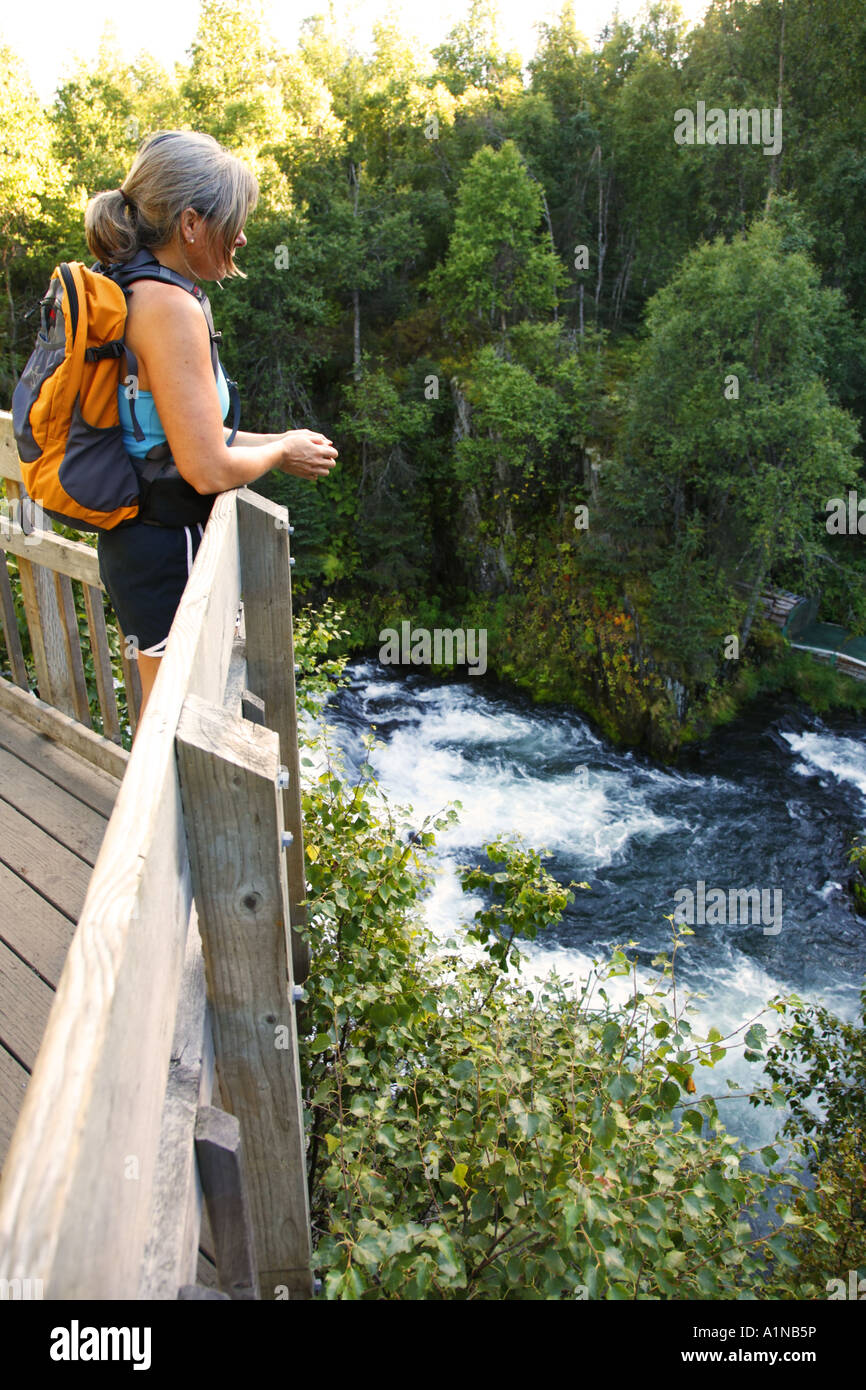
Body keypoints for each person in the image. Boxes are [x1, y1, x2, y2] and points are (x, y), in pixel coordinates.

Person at [84, 130, 338, 725]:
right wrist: (279, 454)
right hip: (166, 542)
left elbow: (189, 437)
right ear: (191, 223)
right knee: (172, 724)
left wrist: (282, 442)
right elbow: (207, 467)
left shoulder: (137, 285)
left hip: (144, 540)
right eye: (235, 220)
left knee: (172, 710)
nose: (244, 237)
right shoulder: (168, 306)